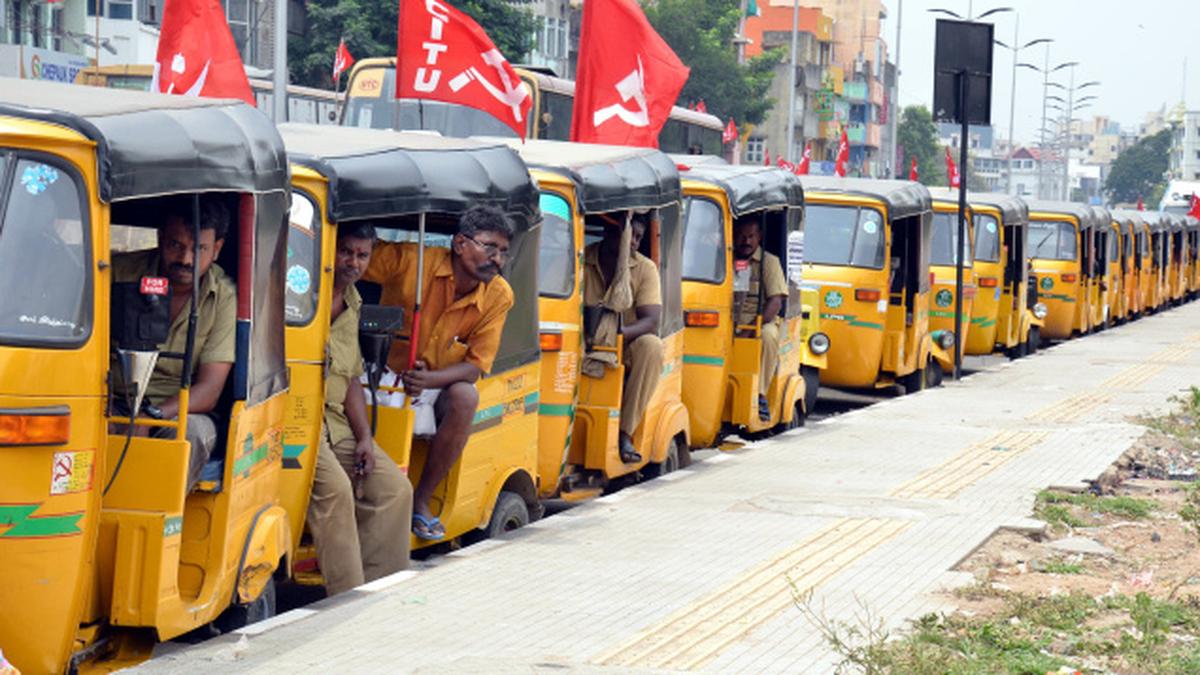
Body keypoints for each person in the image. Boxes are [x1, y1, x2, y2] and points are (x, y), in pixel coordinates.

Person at [363, 205, 515, 541]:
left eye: (503, 252)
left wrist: (429, 380)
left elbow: (475, 365)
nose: (497, 259)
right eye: (489, 248)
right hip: (378, 372)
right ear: (460, 244)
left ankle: (421, 499)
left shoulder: (499, 295)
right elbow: (346, 264)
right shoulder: (411, 261)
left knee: (466, 396)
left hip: (435, 385)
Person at [307, 222, 413, 595]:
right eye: (346, 251)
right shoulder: (302, 295)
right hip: (301, 423)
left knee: (394, 490)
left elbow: (352, 379)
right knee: (335, 490)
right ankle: (349, 600)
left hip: (337, 423)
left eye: (362, 255)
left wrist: (365, 437)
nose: (353, 262)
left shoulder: (353, 302)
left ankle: (382, 592)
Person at [111, 197, 235, 489]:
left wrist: (151, 416)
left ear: (217, 249)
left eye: (199, 248)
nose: (186, 259)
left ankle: (162, 524)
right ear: (160, 238)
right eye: (176, 245)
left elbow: (209, 390)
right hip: (112, 399)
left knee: (190, 433)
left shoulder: (224, 298)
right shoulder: (119, 274)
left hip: (178, 409)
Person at [582, 210, 663, 463]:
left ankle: (625, 432)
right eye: (629, 235)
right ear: (609, 233)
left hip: (624, 343)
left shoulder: (644, 267)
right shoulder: (581, 259)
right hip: (580, 339)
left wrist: (616, 335)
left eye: (638, 238)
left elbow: (650, 319)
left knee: (652, 346)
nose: (634, 243)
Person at [732, 215, 787, 421]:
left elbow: (775, 302)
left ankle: (760, 394)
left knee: (768, 335)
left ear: (759, 237)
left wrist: (751, 328)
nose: (745, 241)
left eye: (751, 236)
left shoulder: (769, 262)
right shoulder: (723, 260)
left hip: (759, 322)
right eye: (741, 236)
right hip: (730, 320)